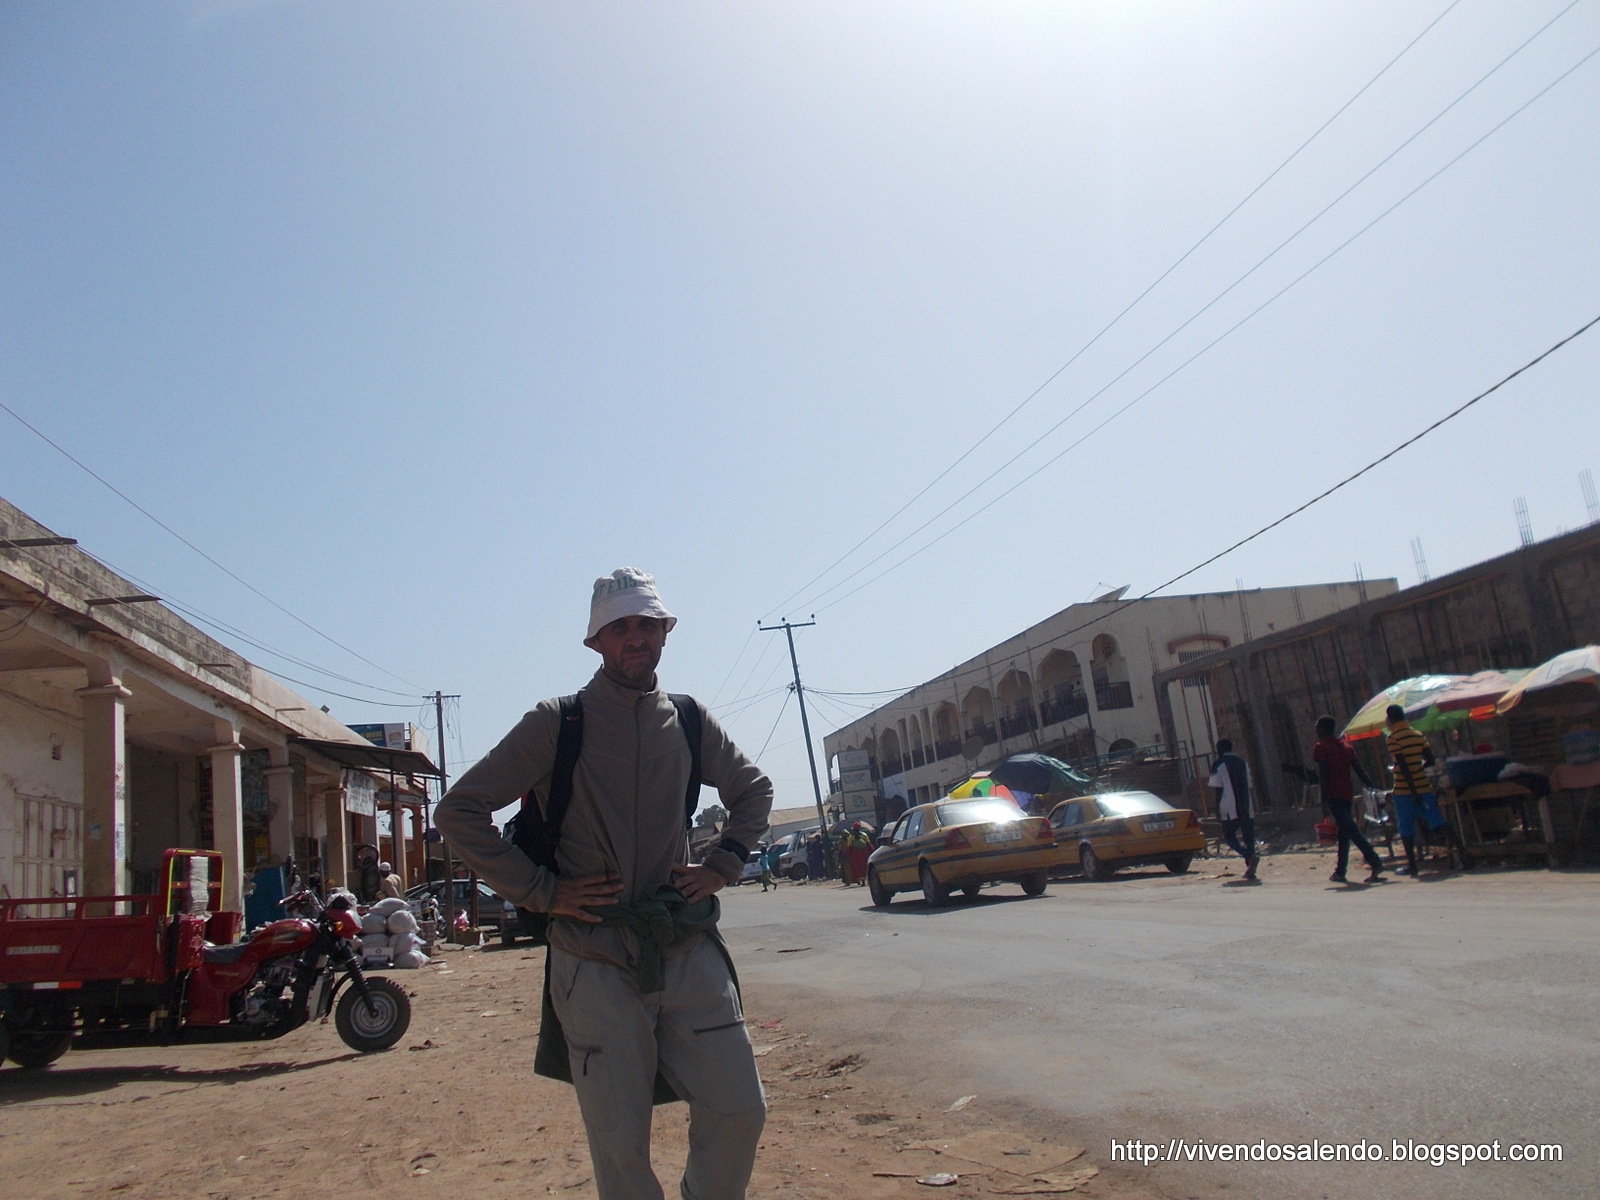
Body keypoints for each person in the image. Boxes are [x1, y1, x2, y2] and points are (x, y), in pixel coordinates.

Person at [435, 568, 772, 1200]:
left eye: (647, 624)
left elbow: (753, 791)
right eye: (620, 628)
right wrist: (541, 890)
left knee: (739, 1109)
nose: (635, 638)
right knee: (621, 1148)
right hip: (592, 957)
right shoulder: (558, 723)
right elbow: (458, 812)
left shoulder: (690, 720)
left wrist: (722, 864)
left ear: (666, 633)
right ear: (595, 642)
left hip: (683, 943)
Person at [1293, 716, 1386, 884]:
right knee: (1344, 833)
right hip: (1347, 794)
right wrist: (1372, 787)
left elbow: (1324, 776)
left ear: (1323, 729)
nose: (1316, 730)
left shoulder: (1321, 747)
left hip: (1334, 795)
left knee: (1352, 831)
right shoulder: (1346, 747)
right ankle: (1340, 871)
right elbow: (1360, 770)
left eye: (1317, 727)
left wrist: (1324, 802)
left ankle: (1375, 861)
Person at [1384, 704, 1469, 876]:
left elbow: (1402, 766)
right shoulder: (1418, 735)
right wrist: (1418, 769)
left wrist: (1412, 789)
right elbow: (1430, 760)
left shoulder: (1393, 738)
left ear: (1390, 719)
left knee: (1406, 829)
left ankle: (1412, 866)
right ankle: (1464, 854)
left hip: (1404, 791)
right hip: (1424, 787)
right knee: (1439, 822)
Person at [1207, 739, 1259, 881]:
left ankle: (1248, 856)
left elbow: (1218, 789)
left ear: (1220, 749)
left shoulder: (1219, 764)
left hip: (1229, 806)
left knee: (1229, 836)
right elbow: (1250, 785)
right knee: (1249, 838)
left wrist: (1217, 808)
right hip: (1246, 806)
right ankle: (1251, 868)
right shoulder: (1243, 762)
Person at [846, 822, 873, 887]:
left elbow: (849, 846)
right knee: (865, 866)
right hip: (865, 852)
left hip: (856, 853)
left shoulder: (851, 836)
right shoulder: (864, 835)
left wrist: (848, 854)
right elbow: (869, 844)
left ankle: (861, 881)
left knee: (857, 867)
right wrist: (872, 851)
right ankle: (867, 880)